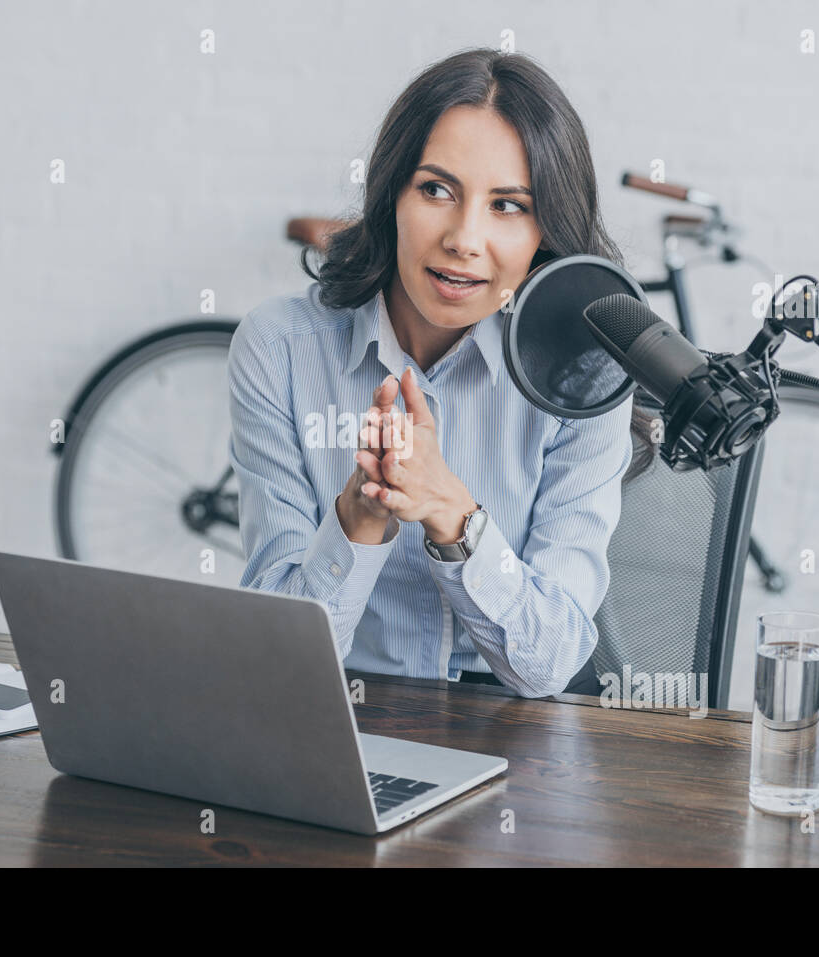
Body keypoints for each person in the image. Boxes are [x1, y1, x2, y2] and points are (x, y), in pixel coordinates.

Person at [227, 47, 654, 698]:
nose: (463, 238)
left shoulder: (582, 370)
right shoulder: (280, 348)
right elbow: (274, 664)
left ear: (546, 228)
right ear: (391, 193)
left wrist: (450, 513)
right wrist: (358, 517)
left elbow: (551, 661)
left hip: (514, 730)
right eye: (436, 189)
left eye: (508, 205)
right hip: (341, 714)